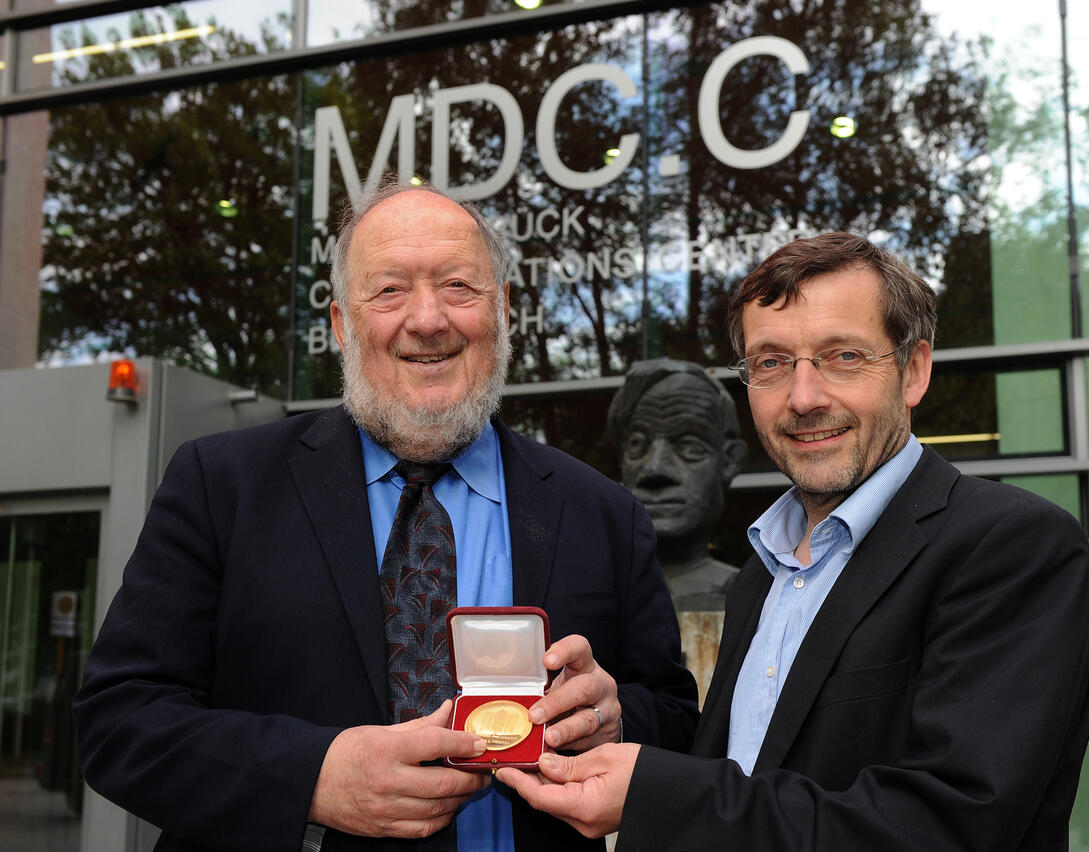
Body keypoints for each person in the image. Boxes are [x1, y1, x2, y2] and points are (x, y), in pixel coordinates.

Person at [72, 181, 699, 852]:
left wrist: (613, 719)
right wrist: (315, 777)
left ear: (504, 311)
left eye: (459, 286)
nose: (428, 320)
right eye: (390, 290)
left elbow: (673, 717)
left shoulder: (602, 512)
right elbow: (120, 722)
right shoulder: (221, 486)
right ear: (342, 324)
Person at [500, 232, 1089, 851]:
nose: (804, 397)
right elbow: (747, 770)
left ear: (914, 371)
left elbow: (949, 827)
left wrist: (655, 793)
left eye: (843, 356)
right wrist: (613, 722)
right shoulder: (766, 566)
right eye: (771, 363)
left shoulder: (1011, 547)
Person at [606, 359, 747, 612]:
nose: (654, 469)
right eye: (638, 444)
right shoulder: (593, 596)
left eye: (689, 445)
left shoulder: (752, 598)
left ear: (729, 461)